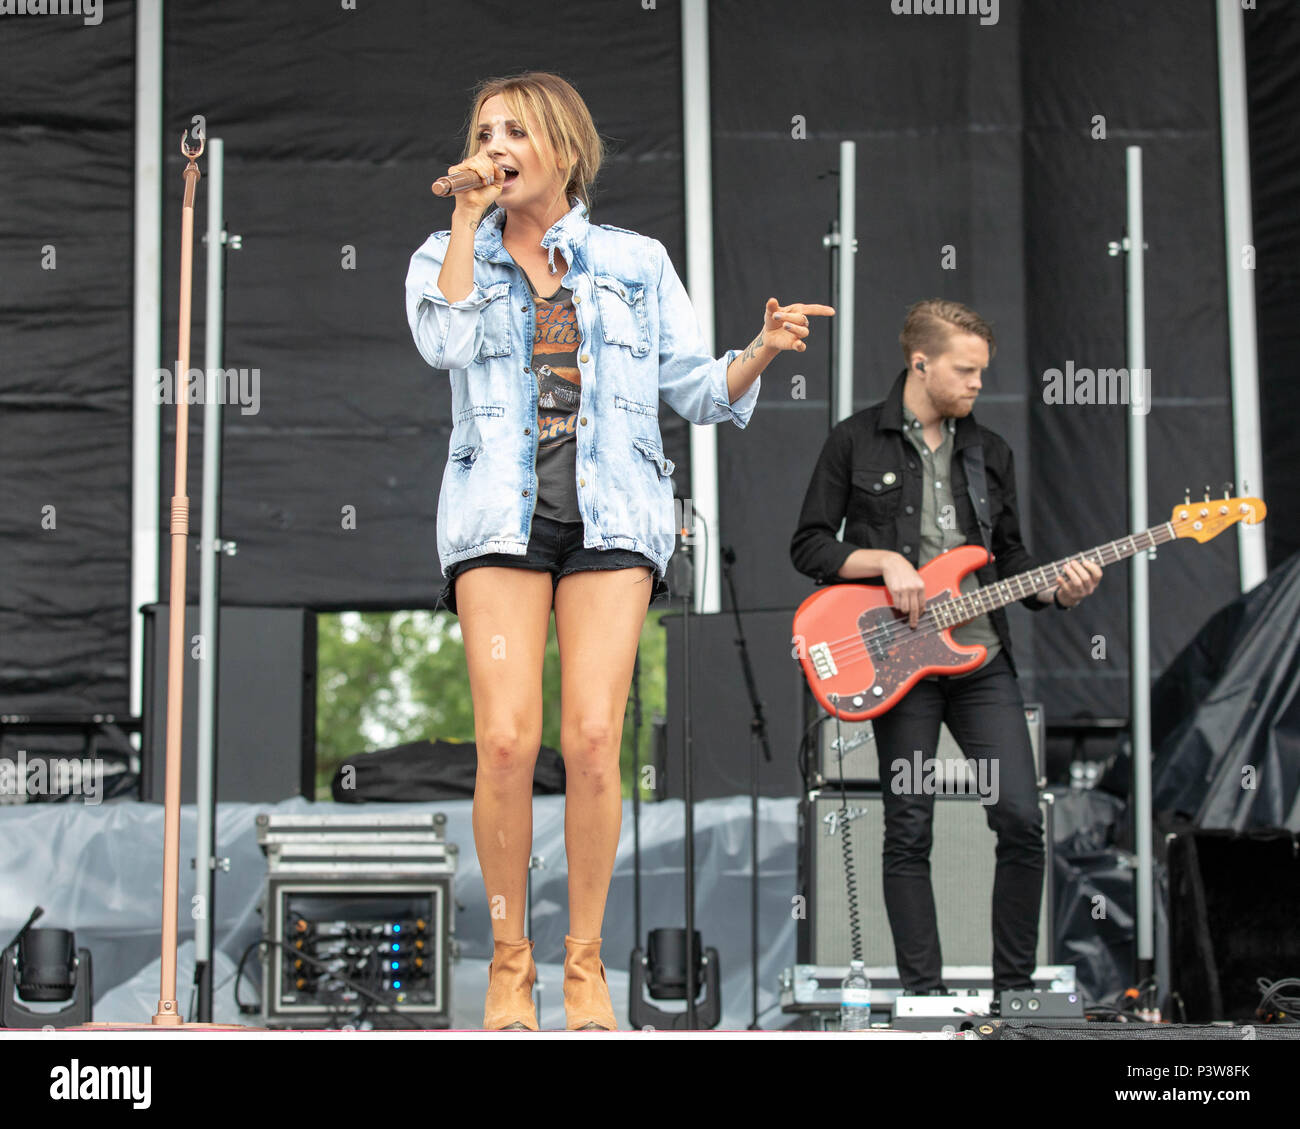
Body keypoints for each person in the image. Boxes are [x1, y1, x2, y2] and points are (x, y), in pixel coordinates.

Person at [405, 71, 833, 1030]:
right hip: (497, 520)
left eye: (515, 130)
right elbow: (444, 340)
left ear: (563, 147)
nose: (494, 143)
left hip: (614, 518)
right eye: (482, 130)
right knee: (508, 740)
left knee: (596, 741)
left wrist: (760, 347)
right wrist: (472, 216)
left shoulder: (636, 262)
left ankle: (585, 964)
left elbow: (699, 390)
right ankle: (509, 966)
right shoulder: (446, 251)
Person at [789, 299, 1100, 996]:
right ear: (919, 363)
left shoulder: (991, 452)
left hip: (979, 658)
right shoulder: (853, 441)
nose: (977, 384)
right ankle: (924, 998)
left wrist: (1056, 589)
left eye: (982, 372)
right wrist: (882, 563)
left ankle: (1014, 992)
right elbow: (807, 544)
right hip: (900, 664)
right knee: (909, 826)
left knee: (1022, 816)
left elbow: (1011, 558)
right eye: (966, 371)